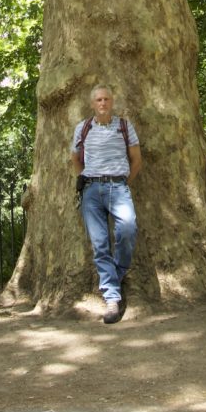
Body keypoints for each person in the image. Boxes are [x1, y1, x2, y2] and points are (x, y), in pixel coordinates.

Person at [71, 85, 142, 324]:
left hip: (118, 188)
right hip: (91, 191)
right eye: (98, 99)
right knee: (100, 245)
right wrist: (85, 177)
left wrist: (123, 182)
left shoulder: (124, 126)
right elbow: (75, 158)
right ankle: (112, 298)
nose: (102, 103)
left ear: (112, 102)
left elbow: (136, 159)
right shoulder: (83, 128)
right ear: (93, 104)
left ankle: (116, 274)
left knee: (127, 229)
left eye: (106, 99)